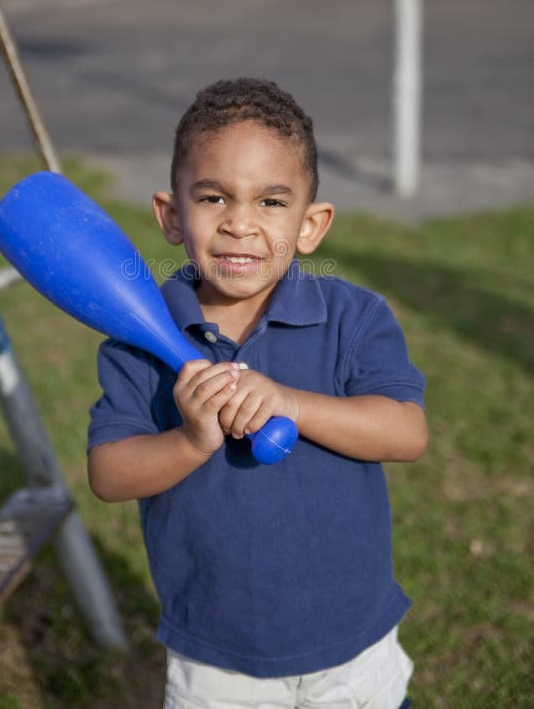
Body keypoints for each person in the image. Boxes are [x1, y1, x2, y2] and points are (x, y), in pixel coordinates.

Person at [87, 78, 427, 709]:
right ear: (170, 216)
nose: (241, 223)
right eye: (214, 197)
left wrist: (292, 403)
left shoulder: (352, 317)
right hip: (219, 652)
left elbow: (406, 430)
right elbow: (108, 473)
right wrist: (191, 440)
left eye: (272, 202)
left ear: (310, 225)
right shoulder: (137, 341)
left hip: (352, 640)